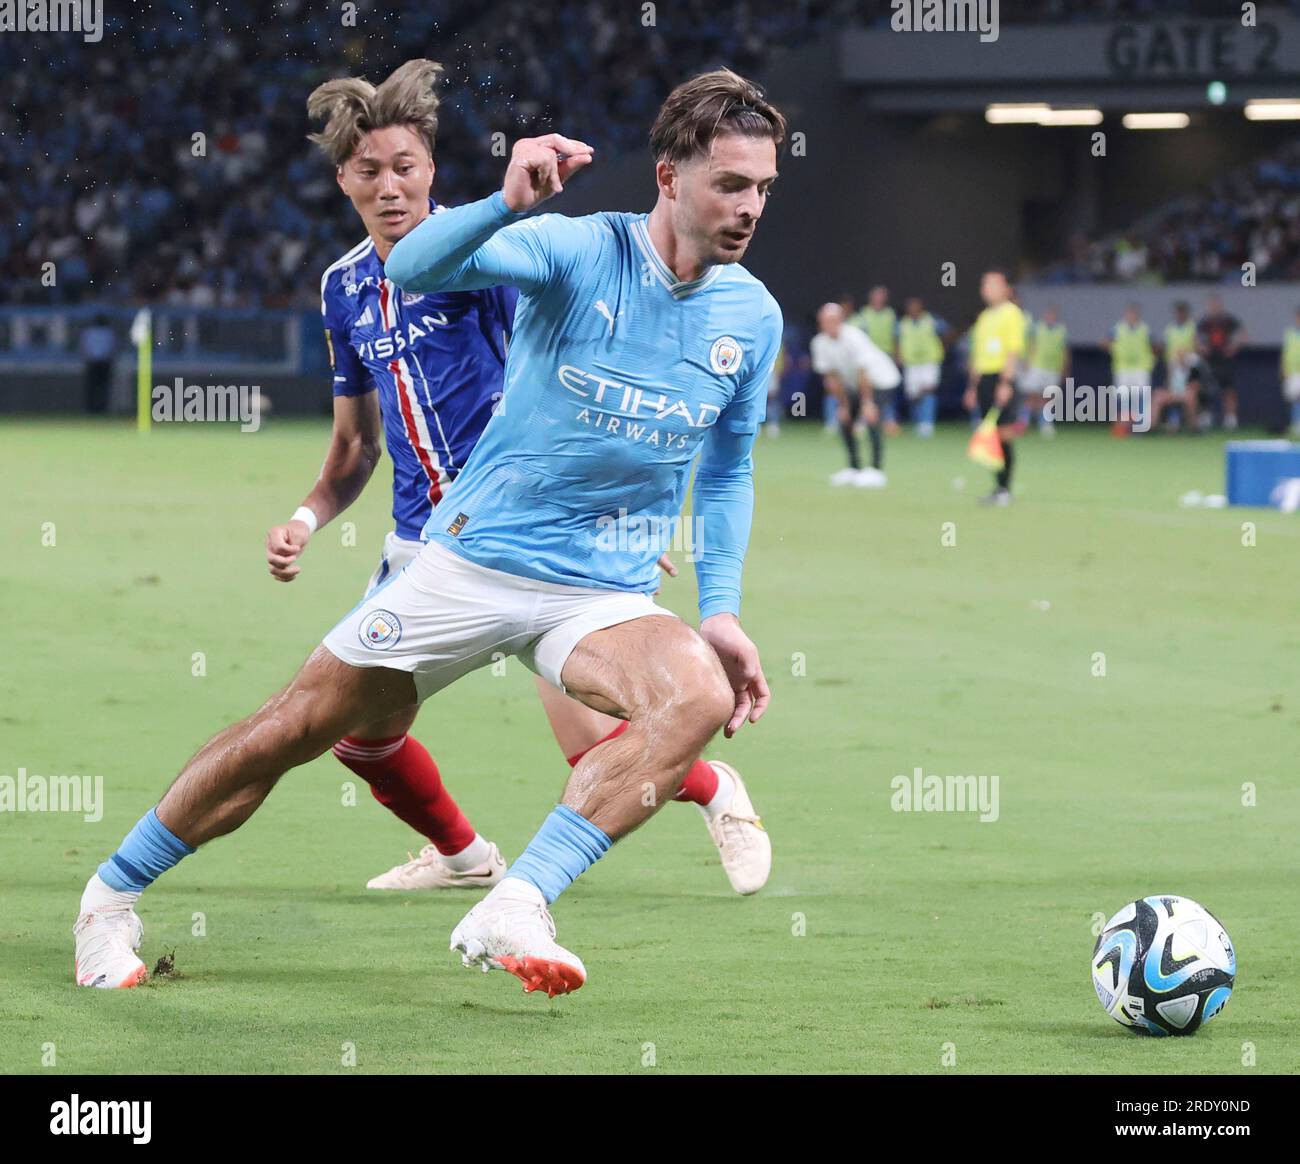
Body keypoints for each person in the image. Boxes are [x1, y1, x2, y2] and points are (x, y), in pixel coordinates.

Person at [73, 66, 783, 999]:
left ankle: (517, 901)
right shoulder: (572, 250)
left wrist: (722, 611)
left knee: (689, 696)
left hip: (601, 588)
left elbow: (729, 468)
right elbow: (409, 266)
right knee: (296, 730)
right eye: (731, 183)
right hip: (469, 559)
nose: (750, 206)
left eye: (764, 186)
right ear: (668, 177)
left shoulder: (753, 315)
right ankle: (109, 898)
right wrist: (504, 200)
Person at [263, 60, 768, 896]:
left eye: (406, 168)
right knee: (359, 739)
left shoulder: (495, 259)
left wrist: (616, 507)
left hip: (526, 534)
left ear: (432, 168)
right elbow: (356, 446)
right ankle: (464, 859)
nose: (390, 187)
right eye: (369, 171)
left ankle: (719, 790)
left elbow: (581, 377)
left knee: (594, 738)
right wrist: (306, 520)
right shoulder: (343, 288)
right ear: (342, 178)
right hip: (421, 541)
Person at [810, 302, 897, 487]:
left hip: (882, 380)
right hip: (856, 385)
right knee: (845, 420)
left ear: (841, 320)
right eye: (824, 321)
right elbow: (833, 379)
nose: (828, 325)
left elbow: (863, 373)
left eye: (832, 320)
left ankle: (876, 470)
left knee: (872, 418)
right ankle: (854, 467)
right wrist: (844, 406)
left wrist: (867, 403)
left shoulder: (854, 337)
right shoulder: (819, 343)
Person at [963, 269, 1026, 506]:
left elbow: (1013, 351)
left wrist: (1006, 383)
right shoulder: (984, 318)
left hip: (1001, 377)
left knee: (1004, 433)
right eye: (984, 284)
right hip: (985, 380)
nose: (987, 289)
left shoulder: (1012, 314)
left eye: (992, 284)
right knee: (990, 434)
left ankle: (1005, 488)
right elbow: (977, 357)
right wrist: (971, 387)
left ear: (1005, 288)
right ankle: (998, 486)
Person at [850, 285, 900, 434]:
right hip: (868, 356)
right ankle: (862, 420)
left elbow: (895, 336)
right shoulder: (864, 315)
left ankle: (889, 420)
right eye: (876, 296)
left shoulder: (890, 314)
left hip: (886, 355)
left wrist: (897, 354)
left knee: (887, 387)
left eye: (882, 296)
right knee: (866, 387)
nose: (879, 299)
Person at [1193, 295, 1247, 431]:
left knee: (1228, 390)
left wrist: (1234, 347)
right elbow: (1194, 337)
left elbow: (1243, 333)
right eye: (1211, 305)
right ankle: (1205, 418)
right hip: (1210, 361)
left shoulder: (1228, 320)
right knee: (1205, 389)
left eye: (1216, 305)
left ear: (1220, 306)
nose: (1213, 307)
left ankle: (1231, 420)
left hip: (1225, 360)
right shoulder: (1205, 322)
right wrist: (1201, 348)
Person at [897, 296, 947, 438]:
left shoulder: (932, 320)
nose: (913, 309)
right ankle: (918, 421)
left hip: (929, 361)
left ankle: (927, 424)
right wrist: (899, 355)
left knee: (928, 390)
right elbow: (897, 340)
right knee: (914, 395)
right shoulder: (902, 323)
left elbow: (947, 334)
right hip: (911, 363)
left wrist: (942, 348)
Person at [1101, 303, 1154, 435]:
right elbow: (1104, 342)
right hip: (1123, 368)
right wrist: (1114, 349)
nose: (1131, 316)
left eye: (1133, 314)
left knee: (1141, 398)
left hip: (1140, 368)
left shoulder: (1144, 329)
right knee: (1123, 398)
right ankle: (1124, 427)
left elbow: (1155, 345)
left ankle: (1140, 427)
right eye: (1129, 314)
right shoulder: (1118, 328)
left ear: (1137, 315)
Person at [1020, 304, 1068, 437]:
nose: (1050, 317)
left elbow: (1064, 350)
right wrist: (1026, 362)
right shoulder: (1036, 328)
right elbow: (1030, 345)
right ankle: (1023, 422)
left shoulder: (1061, 330)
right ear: (1044, 316)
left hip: (1052, 368)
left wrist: (1063, 367)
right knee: (1032, 395)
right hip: (1037, 366)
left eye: (1053, 315)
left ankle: (1045, 424)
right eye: (1049, 315)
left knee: (1047, 397)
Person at [1152, 301, 1199, 433]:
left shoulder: (1191, 329)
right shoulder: (1170, 329)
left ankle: (1194, 428)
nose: (1180, 314)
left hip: (1186, 391)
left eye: (1182, 312)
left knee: (1191, 398)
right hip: (1174, 387)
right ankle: (1150, 428)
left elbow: (1194, 384)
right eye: (1178, 312)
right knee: (1158, 397)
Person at [79, 313, 117, 414]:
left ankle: (90, 408)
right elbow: (112, 348)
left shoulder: (88, 332)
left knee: (91, 387)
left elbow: (84, 347)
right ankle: (102, 408)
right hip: (104, 363)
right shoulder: (109, 332)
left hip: (92, 362)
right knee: (103, 387)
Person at [1280, 307, 1300, 437]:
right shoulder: (1289, 333)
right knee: (1295, 399)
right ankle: (1296, 425)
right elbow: (1285, 353)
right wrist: (1282, 368)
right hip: (1292, 373)